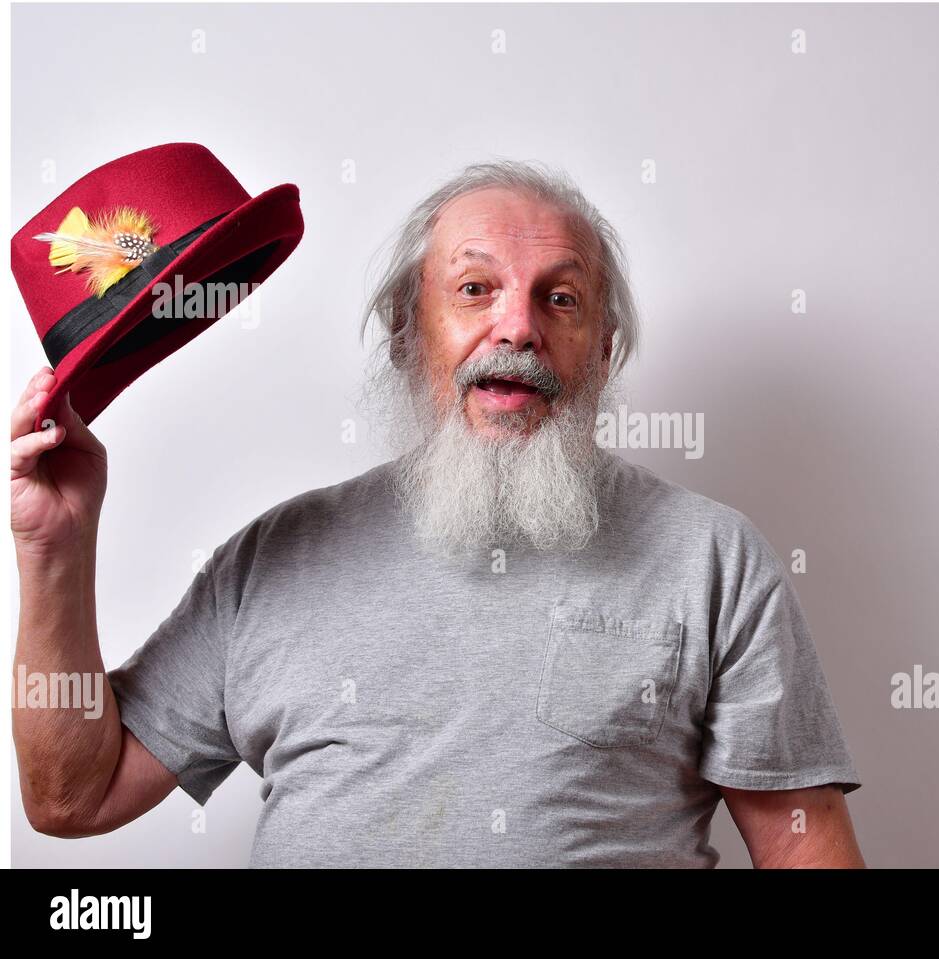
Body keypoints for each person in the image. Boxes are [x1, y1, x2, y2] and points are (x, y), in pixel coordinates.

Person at [11, 160, 865, 868]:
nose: (517, 328)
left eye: (560, 299)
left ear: (603, 352)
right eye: (474, 287)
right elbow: (73, 796)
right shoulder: (273, 558)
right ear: (406, 334)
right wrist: (56, 550)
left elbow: (804, 842)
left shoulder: (709, 556)